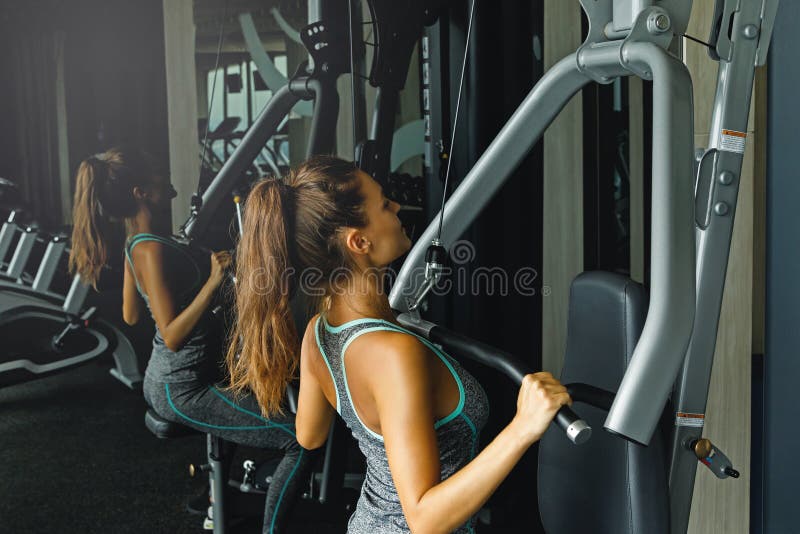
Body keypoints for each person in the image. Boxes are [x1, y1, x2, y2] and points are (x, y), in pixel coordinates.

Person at [227, 155, 572, 533]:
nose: (396, 207)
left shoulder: (320, 332)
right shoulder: (393, 354)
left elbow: (310, 435)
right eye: (383, 204)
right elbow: (425, 519)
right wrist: (523, 427)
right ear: (359, 241)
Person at [69, 146, 311, 534]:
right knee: (298, 439)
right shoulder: (149, 250)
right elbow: (172, 335)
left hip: (178, 377)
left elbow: (133, 314)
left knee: (253, 398)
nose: (168, 184)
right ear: (140, 194)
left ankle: (221, 503)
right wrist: (212, 282)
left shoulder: (140, 243)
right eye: (157, 181)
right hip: (182, 386)